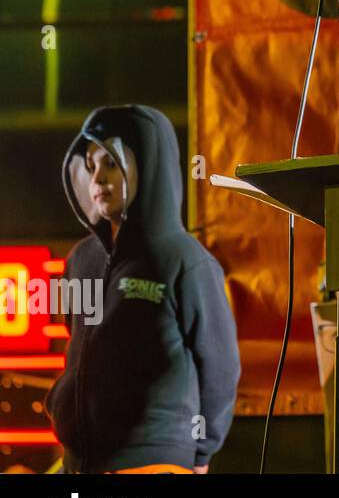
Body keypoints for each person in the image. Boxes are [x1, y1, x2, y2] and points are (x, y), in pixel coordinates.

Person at [47, 105, 240, 473]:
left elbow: (219, 367)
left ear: (149, 166)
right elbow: (77, 342)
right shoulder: (80, 261)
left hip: (155, 461)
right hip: (81, 464)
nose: (97, 179)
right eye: (90, 166)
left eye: (111, 163)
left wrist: (201, 453)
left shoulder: (185, 261)